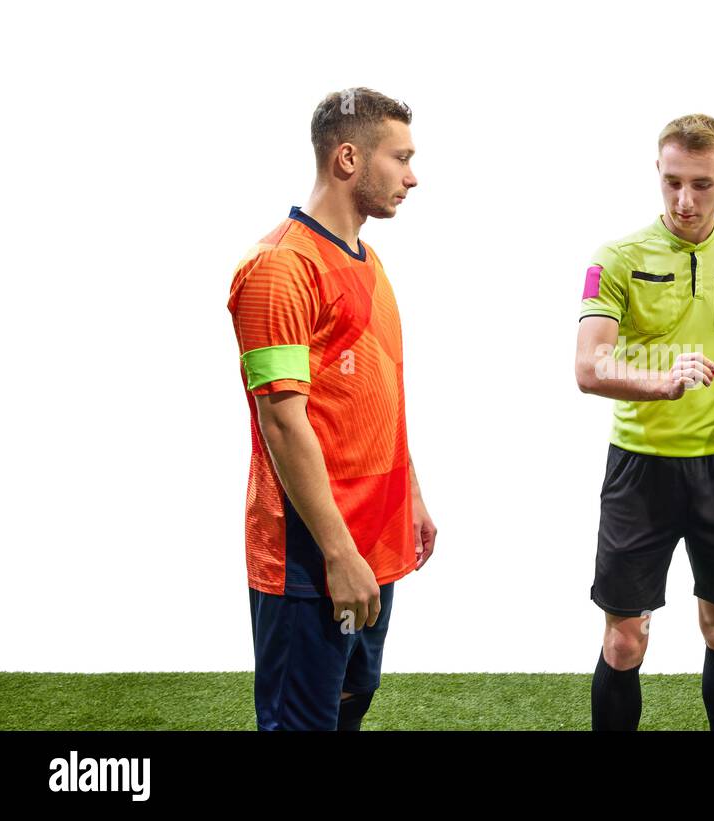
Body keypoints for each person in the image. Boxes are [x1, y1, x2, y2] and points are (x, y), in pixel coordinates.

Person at [227, 87, 436, 731]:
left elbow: (373, 397)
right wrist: (340, 556)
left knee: (350, 703)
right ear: (348, 159)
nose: (412, 176)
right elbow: (283, 421)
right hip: (313, 560)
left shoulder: (367, 259)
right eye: (399, 159)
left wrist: (413, 496)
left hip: (375, 541)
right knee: (301, 723)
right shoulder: (280, 268)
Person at [575, 114, 714, 731]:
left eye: (701, 184)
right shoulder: (615, 257)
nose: (685, 200)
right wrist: (658, 382)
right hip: (639, 469)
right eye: (671, 183)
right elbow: (588, 368)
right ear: (658, 173)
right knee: (624, 641)